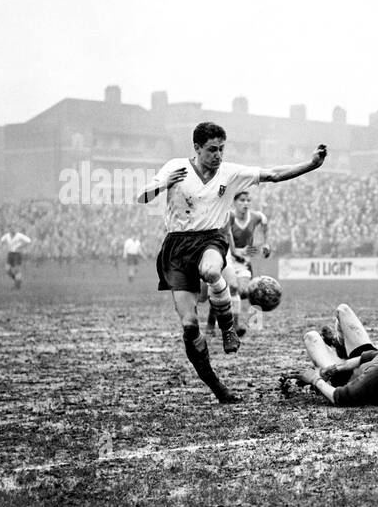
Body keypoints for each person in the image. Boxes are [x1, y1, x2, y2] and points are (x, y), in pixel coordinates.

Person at [137, 121, 326, 404]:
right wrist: (164, 183)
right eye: (212, 149)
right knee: (189, 327)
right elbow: (142, 197)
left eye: (222, 149)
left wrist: (312, 164)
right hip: (176, 247)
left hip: (210, 239)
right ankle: (217, 386)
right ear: (197, 148)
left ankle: (228, 327)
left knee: (212, 270)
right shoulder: (176, 167)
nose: (218, 155)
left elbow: (273, 174)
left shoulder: (230, 173)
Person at [282, 303, 378, 407]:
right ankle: (339, 347)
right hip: (362, 366)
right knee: (343, 310)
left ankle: (338, 350)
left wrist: (316, 379)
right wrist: (337, 367)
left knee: (312, 337)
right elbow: (363, 357)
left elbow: (338, 397)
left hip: (348, 379)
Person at [205, 191, 270, 337]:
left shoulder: (256, 216)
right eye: (242, 200)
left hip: (243, 260)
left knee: (243, 292)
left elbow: (264, 221)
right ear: (235, 202)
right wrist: (235, 252)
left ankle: (220, 316)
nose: (245, 203)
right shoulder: (228, 216)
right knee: (230, 288)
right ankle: (232, 325)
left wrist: (266, 244)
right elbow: (227, 236)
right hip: (227, 256)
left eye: (248, 200)